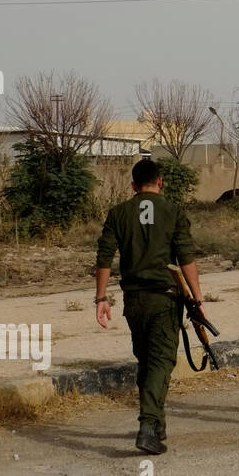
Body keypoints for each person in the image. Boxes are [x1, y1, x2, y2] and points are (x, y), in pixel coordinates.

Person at [95, 157, 203, 455]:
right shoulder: (173, 211)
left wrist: (101, 298)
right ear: (160, 182)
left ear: (133, 186)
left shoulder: (119, 212)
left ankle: (158, 423)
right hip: (164, 298)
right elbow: (186, 258)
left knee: (146, 360)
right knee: (160, 361)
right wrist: (197, 298)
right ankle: (148, 425)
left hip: (134, 300)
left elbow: (104, 257)